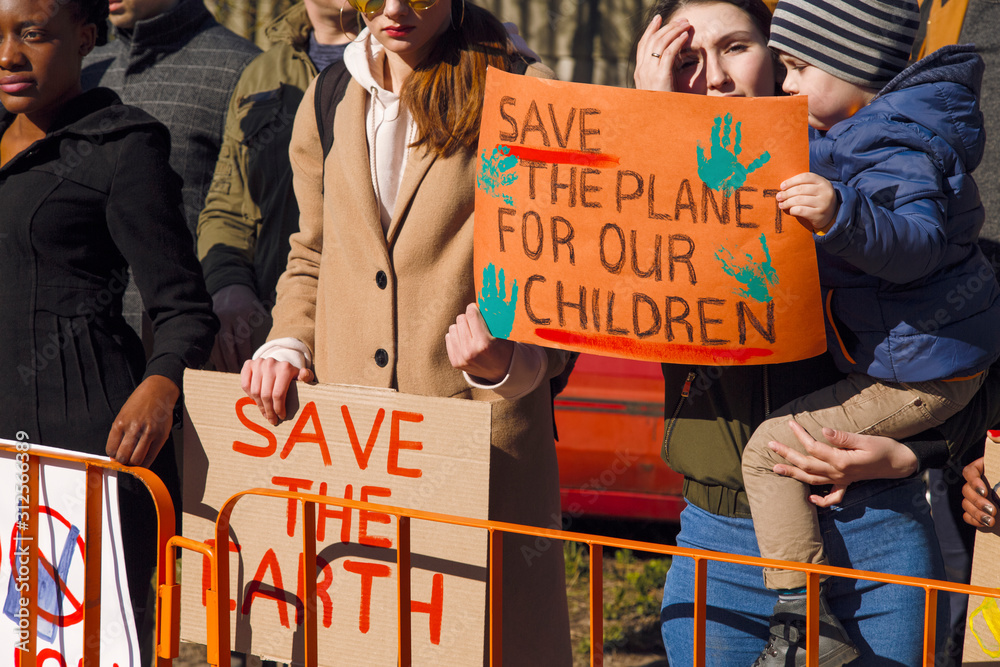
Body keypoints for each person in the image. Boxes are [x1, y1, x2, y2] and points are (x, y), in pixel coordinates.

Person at [632, 0, 970, 664]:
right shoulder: (648, 183)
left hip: (877, 542)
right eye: (687, 58)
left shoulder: (878, 157)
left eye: (737, 48)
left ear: (785, 55)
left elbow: (970, 343)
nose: (716, 77)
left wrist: (917, 451)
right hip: (719, 551)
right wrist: (659, 125)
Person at [240, 0, 573, 662]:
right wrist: (287, 341)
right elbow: (311, 254)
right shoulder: (328, 95)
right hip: (355, 464)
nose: (393, 9)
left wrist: (505, 361)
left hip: (483, 460)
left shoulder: (525, 93)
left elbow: (560, 289)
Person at [736, 0, 1000, 663]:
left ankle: (804, 629)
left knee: (770, 448)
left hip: (932, 370)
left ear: (855, 67)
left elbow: (916, 242)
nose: (785, 82)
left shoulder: (894, 141)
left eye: (798, 67)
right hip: (925, 358)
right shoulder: (870, 132)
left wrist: (840, 214)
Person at [0, 0, 217, 662]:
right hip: (2, 454)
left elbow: (184, 305)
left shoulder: (124, 146)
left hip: (91, 455)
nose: (8, 54)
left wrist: (162, 382)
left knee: (94, 644)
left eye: (31, 35)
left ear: (85, 38)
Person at [196, 0, 359, 372]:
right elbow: (228, 205)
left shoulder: (404, 59)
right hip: (274, 339)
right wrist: (228, 284)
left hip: (376, 335)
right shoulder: (261, 73)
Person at [81, 0, 259, 341]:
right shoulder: (81, 71)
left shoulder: (242, 69)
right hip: (82, 358)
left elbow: (243, 221)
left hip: (187, 350)